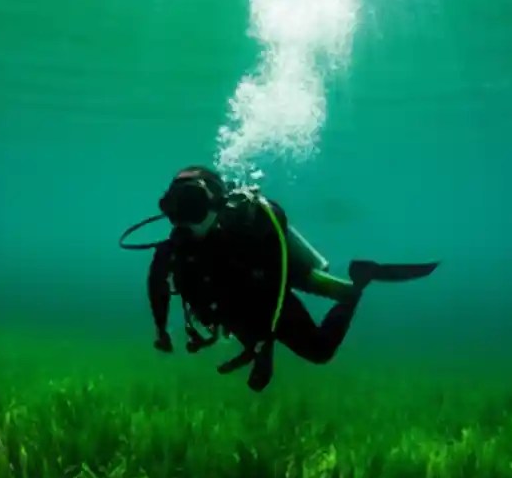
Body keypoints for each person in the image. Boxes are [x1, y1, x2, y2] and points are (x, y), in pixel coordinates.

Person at [117, 165, 439, 392]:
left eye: (193, 207)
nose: (184, 220)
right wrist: (161, 329)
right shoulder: (173, 251)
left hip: (271, 293)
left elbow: (279, 282)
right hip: (240, 311)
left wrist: (266, 346)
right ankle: (353, 285)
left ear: (215, 204)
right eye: (175, 209)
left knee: (321, 351)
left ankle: (360, 280)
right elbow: (157, 285)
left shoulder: (247, 232)